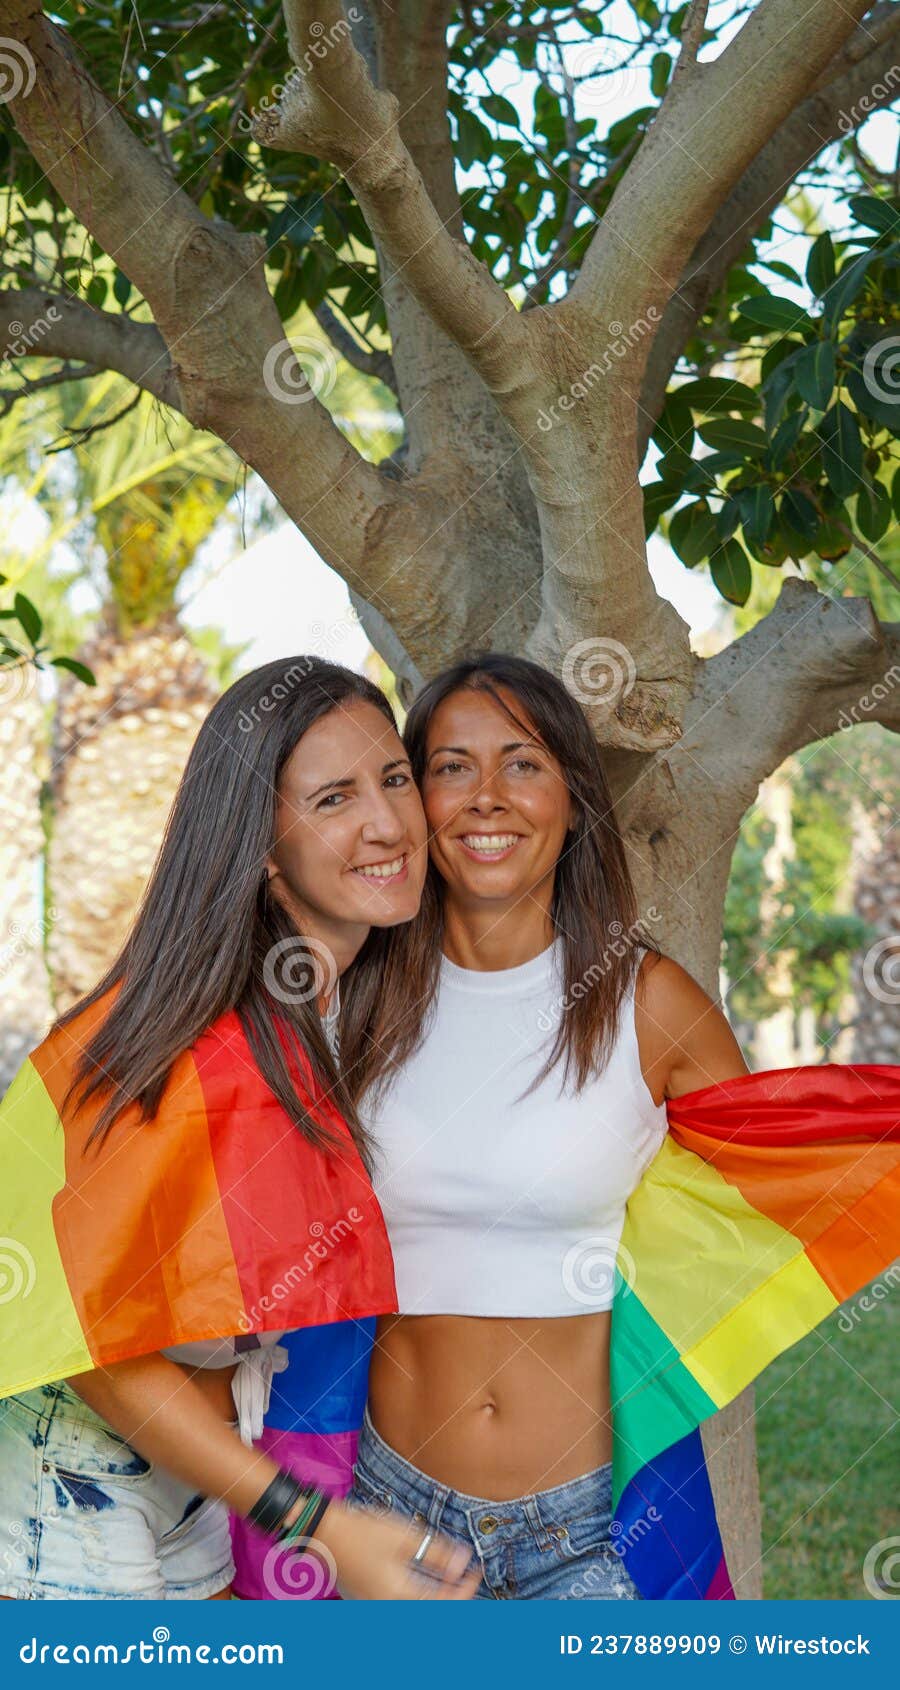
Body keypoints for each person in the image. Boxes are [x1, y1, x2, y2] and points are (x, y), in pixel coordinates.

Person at [0, 657, 479, 1603]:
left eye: (393, 779)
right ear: (261, 845)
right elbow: (90, 1344)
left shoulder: (327, 1013)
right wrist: (315, 1521)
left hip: (191, 1477)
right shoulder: (193, 1043)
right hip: (75, 1492)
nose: (388, 823)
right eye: (333, 798)